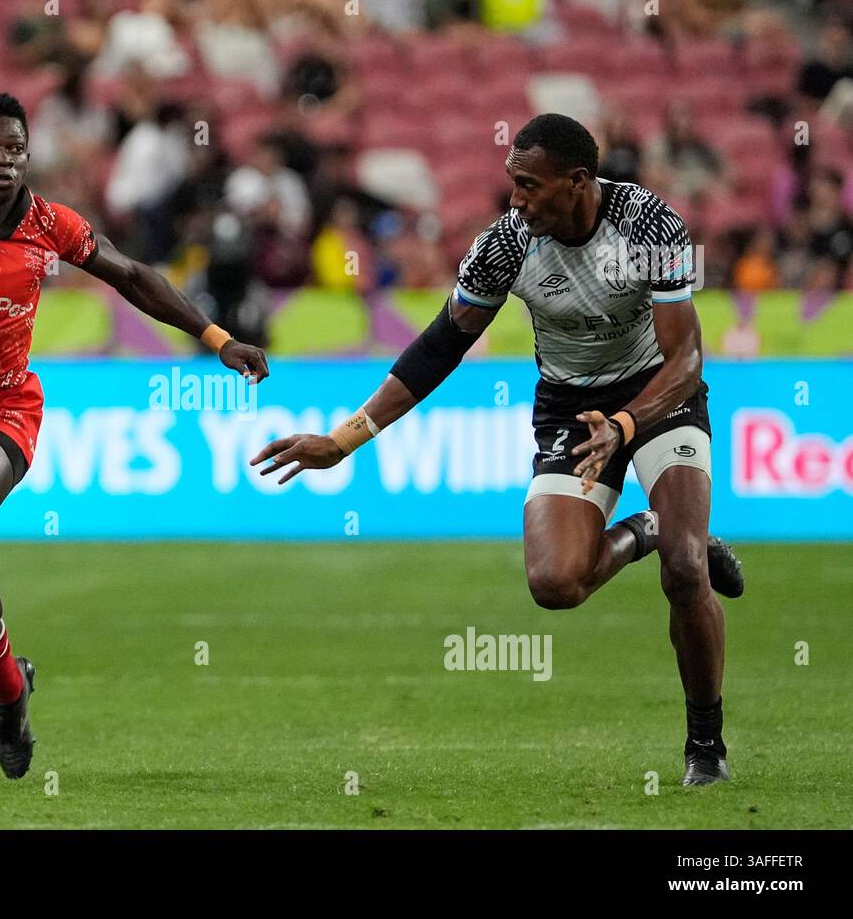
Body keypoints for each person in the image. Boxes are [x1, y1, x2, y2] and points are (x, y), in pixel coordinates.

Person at [251, 113, 745, 787]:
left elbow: (686, 358)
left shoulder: (647, 225)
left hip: (660, 395)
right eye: (511, 184)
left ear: (576, 181)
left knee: (688, 572)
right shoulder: (505, 245)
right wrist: (344, 441)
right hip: (571, 408)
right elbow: (437, 349)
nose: (515, 199)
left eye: (527, 185)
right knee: (555, 584)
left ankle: (705, 744)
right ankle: (651, 528)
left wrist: (626, 426)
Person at [0, 92, 267, 777]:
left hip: (4, 406)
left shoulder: (48, 222)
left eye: (15, 150)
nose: (4, 163)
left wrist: (216, 337)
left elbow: (130, 275)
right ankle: (11, 692)